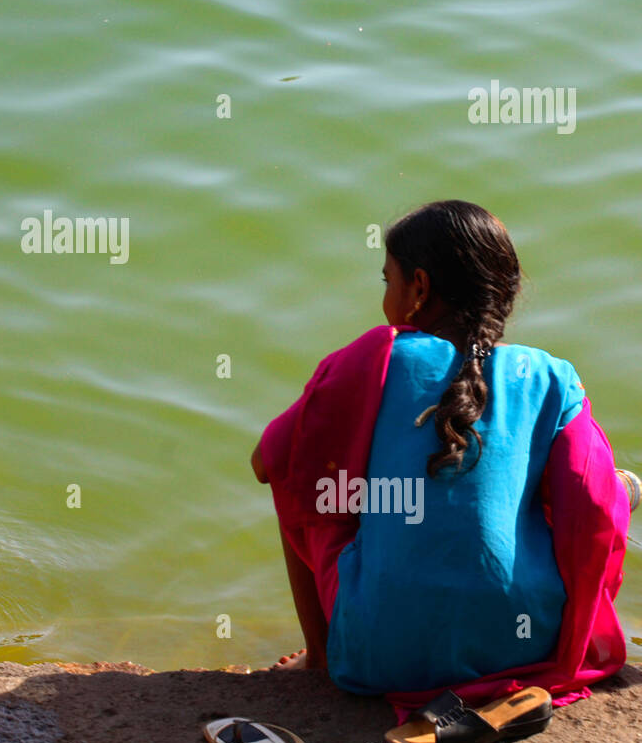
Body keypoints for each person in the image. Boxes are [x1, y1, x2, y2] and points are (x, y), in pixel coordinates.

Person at [252, 200, 628, 713]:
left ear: (420, 289)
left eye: (388, 281)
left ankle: (320, 654)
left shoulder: (375, 359)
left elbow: (269, 462)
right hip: (525, 646)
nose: (385, 296)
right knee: (593, 486)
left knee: (310, 481)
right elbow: (592, 510)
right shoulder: (549, 376)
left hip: (377, 658)